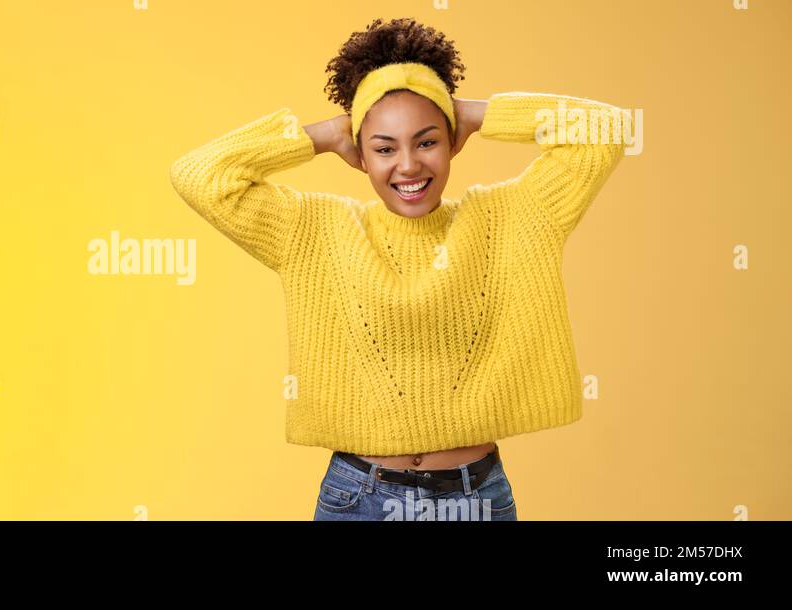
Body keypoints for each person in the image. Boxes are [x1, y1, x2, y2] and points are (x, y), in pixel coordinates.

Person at [168, 17, 633, 521]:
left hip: (474, 500)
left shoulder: (513, 217)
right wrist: (323, 134)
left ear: (453, 142)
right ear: (360, 154)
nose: (408, 165)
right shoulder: (312, 229)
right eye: (384, 148)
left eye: (427, 140)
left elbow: (606, 131)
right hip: (358, 498)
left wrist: (474, 114)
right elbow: (200, 175)